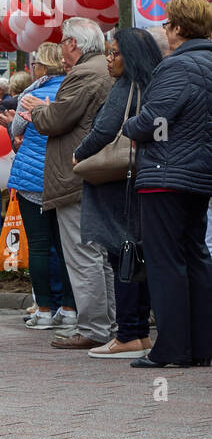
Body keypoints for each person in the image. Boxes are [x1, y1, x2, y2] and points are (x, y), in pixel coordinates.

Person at [122, 0, 212, 368]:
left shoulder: (179, 66)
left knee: (165, 262)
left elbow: (154, 121)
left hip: (165, 173)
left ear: (177, 27)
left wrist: (131, 125)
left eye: (166, 24)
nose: (164, 30)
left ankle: (172, 348)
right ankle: (201, 346)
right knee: (195, 256)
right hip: (198, 174)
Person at [25, 17, 115, 351]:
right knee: (98, 253)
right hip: (94, 173)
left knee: (82, 253)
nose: (61, 47)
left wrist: (38, 110)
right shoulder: (102, 70)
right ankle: (107, 322)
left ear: (73, 44)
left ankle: (93, 326)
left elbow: (56, 120)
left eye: (63, 41)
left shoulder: (83, 74)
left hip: (75, 174)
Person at [74, 28, 162, 359]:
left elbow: (104, 129)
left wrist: (79, 154)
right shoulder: (156, 83)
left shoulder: (126, 87)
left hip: (118, 183)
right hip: (144, 178)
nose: (108, 60)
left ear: (131, 57)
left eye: (114, 53)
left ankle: (128, 334)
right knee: (138, 254)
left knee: (122, 255)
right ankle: (139, 333)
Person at [7, 44, 74, 330]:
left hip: (31, 179)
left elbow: (16, 132)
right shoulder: (73, 90)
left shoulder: (31, 94)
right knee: (67, 247)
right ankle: (70, 309)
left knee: (38, 246)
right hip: (65, 174)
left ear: (42, 67)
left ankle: (44, 309)